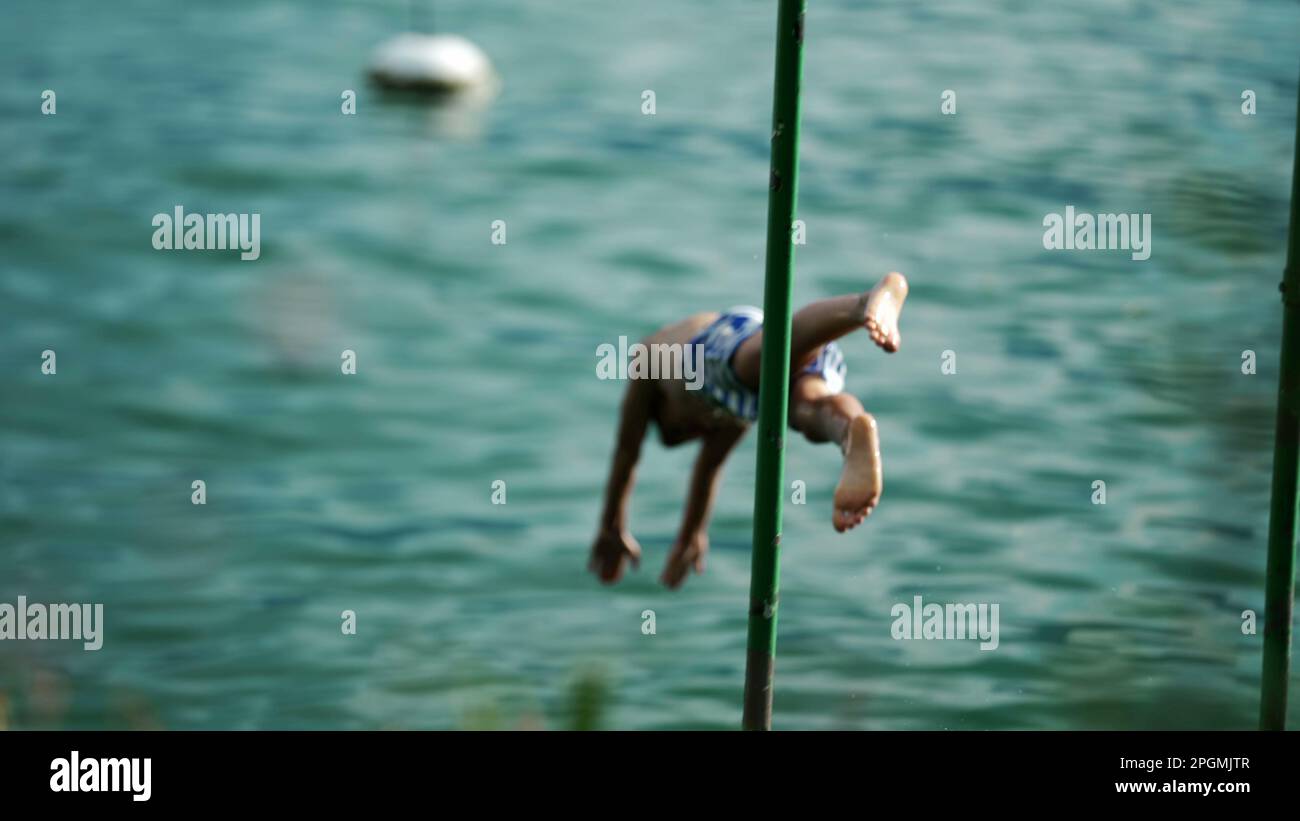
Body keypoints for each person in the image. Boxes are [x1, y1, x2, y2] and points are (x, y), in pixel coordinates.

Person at [589, 271, 910, 588]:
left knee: (763, 358)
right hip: (744, 368)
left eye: (677, 432)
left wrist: (611, 525)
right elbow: (708, 470)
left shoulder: (648, 359)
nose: (690, 434)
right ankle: (851, 432)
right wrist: (690, 536)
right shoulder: (725, 414)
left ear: (665, 416)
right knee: (809, 410)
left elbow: (626, 451)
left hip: (715, 345)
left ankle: (864, 303)